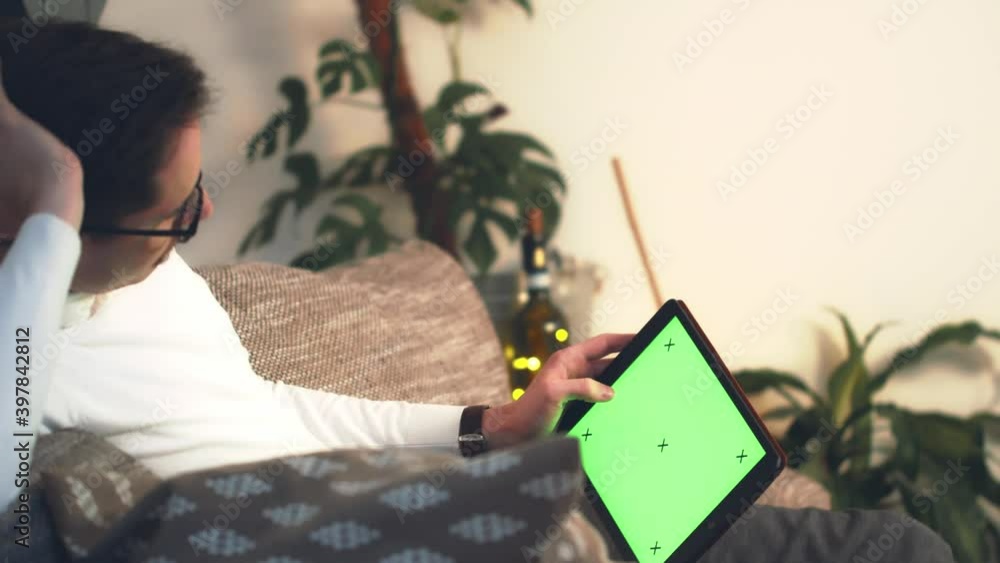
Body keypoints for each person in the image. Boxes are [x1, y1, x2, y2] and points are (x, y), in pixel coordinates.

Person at [0, 21, 954, 563]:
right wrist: (44, 216)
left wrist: (491, 426)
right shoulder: (24, 350)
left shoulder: (150, 277)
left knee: (898, 542)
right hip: (451, 544)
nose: (203, 215)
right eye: (180, 215)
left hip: (473, 500)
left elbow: (267, 405)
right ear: (55, 214)